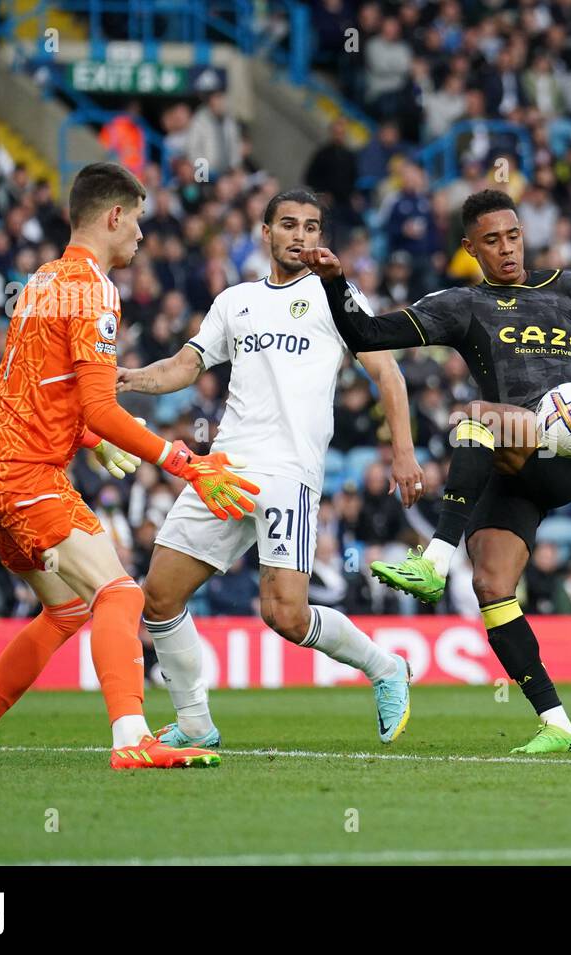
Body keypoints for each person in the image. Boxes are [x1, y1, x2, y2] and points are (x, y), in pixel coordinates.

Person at [300, 189, 571, 754]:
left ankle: (434, 560)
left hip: (562, 453)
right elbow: (368, 336)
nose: (507, 249)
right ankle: (558, 724)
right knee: (493, 587)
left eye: (514, 235)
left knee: (474, 416)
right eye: (492, 241)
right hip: (506, 468)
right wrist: (334, 281)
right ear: (470, 248)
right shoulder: (462, 305)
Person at [0, 162, 258, 770]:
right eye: (136, 219)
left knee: (68, 608)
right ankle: (131, 738)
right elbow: (104, 407)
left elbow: (34, 387)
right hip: (21, 468)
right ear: (112, 216)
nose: (140, 233)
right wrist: (185, 463)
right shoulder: (97, 289)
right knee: (121, 594)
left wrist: (85, 437)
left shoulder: (41, 281)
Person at [117, 189, 420, 747]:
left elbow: (389, 374)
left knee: (283, 613)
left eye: (311, 226)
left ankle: (385, 667)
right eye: (288, 225)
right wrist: (130, 378)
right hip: (224, 466)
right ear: (266, 232)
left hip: (288, 472)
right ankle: (194, 725)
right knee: (158, 596)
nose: (300, 235)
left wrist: (402, 452)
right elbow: (186, 365)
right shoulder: (235, 301)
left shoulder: (335, 294)